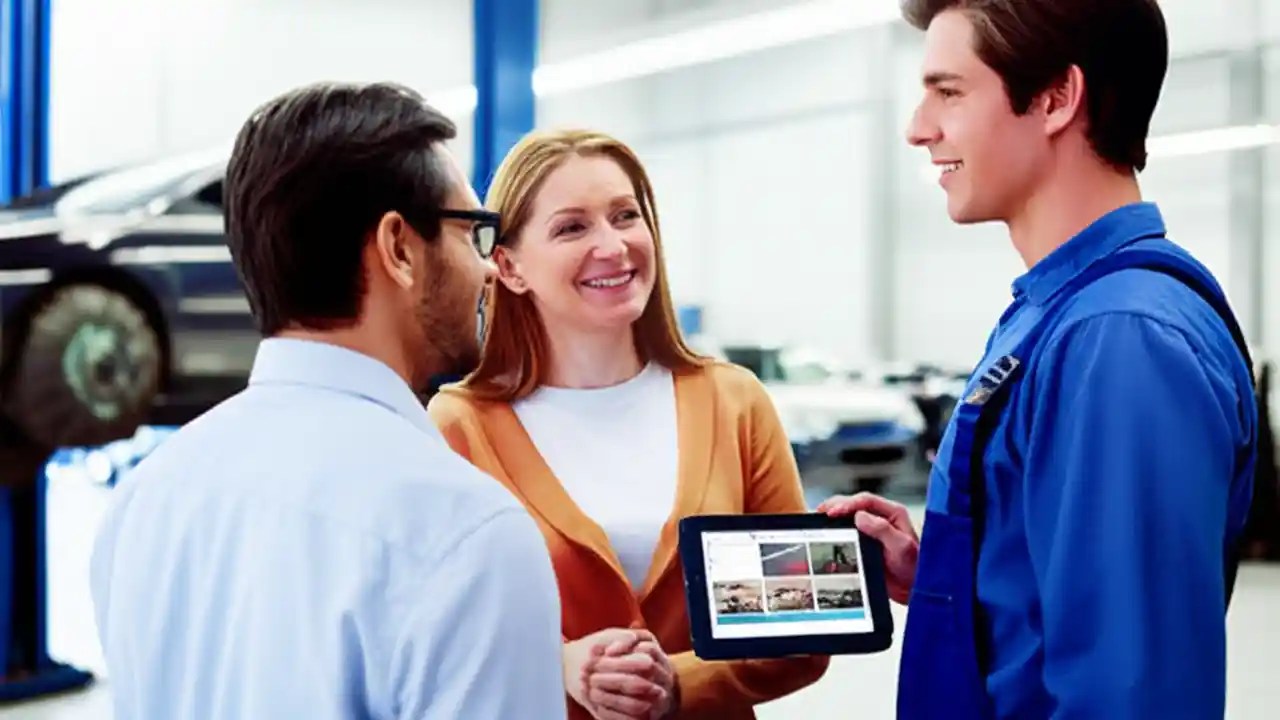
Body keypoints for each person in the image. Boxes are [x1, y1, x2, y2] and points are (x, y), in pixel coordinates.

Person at [820, 1, 1257, 718]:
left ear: (1056, 98)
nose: (918, 127)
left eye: (949, 91)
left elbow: (1132, 692)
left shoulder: (1121, 338)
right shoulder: (1059, 312)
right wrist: (950, 568)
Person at [88, 81, 567, 719]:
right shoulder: (467, 534)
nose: (487, 271)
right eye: (470, 232)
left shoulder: (147, 500)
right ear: (400, 248)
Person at [427, 128, 829, 720]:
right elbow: (437, 629)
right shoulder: (460, 425)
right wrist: (560, 666)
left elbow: (799, 625)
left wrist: (678, 683)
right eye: (572, 227)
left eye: (625, 216)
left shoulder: (732, 402)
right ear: (509, 267)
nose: (613, 246)